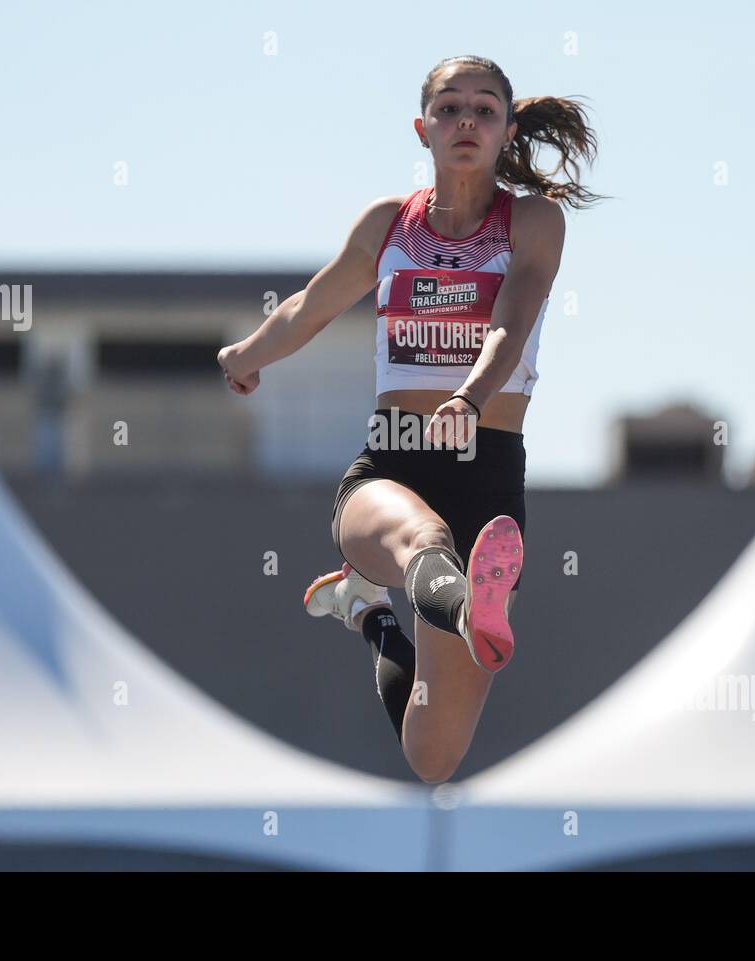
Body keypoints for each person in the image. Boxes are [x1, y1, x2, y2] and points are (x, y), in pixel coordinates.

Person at [218, 55, 602, 783]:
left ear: (506, 130)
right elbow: (310, 305)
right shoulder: (387, 223)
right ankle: (461, 601)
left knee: (433, 756)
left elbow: (511, 325)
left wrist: (472, 397)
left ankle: (367, 612)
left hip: (485, 472)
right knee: (426, 540)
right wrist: (247, 354)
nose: (466, 121)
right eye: (450, 108)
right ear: (422, 127)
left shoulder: (532, 222)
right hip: (392, 461)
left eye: (485, 110)